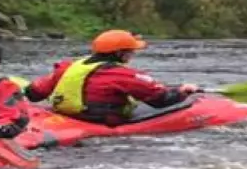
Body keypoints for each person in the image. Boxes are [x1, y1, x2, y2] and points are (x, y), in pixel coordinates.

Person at [21, 29, 201, 125]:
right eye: (131, 51)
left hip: (65, 117)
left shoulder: (68, 66)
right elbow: (160, 100)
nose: (132, 55)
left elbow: (33, 94)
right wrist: (183, 91)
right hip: (99, 123)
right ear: (120, 53)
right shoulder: (123, 74)